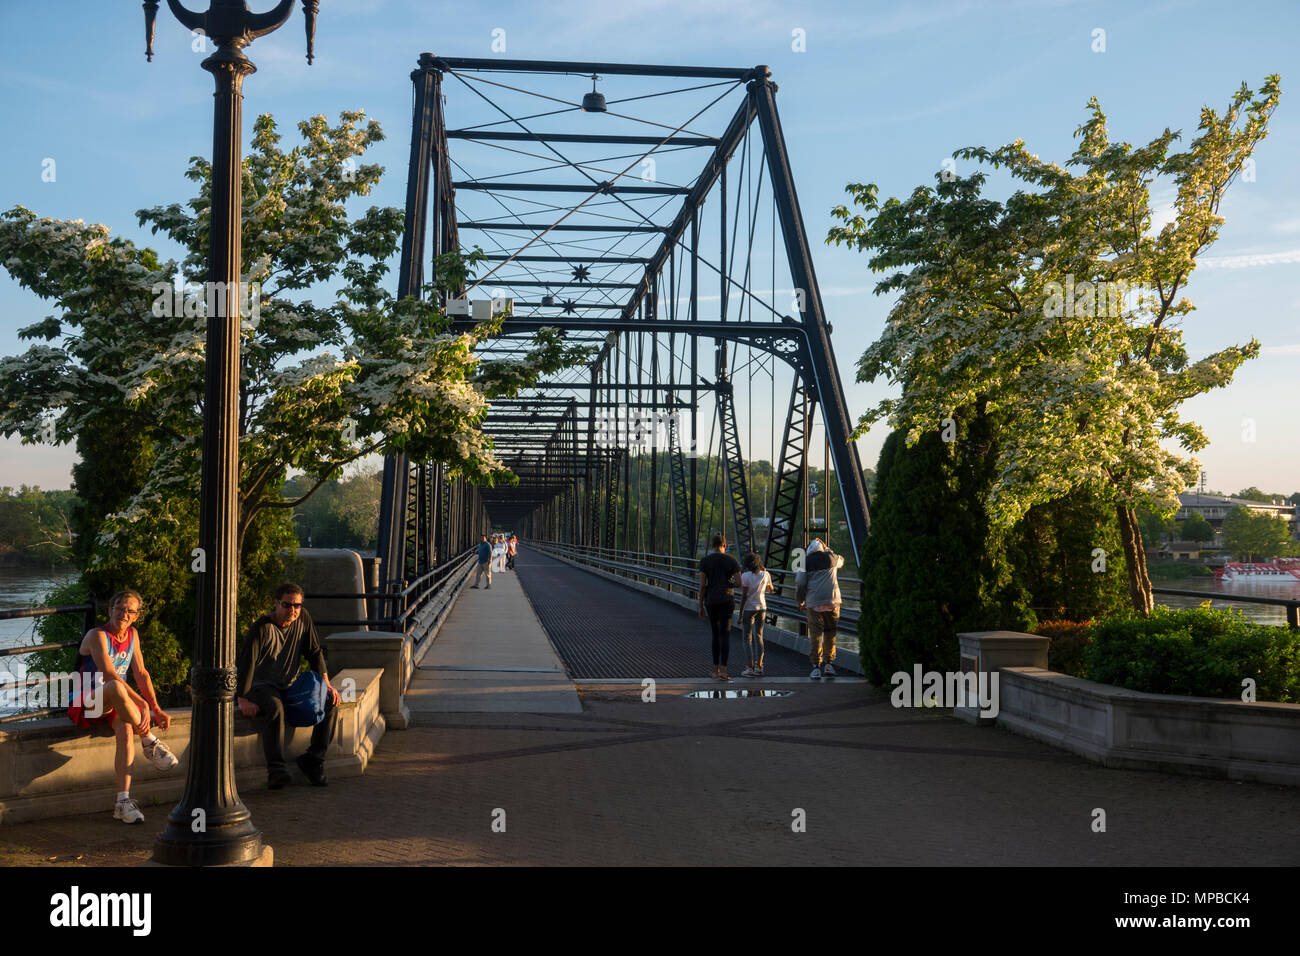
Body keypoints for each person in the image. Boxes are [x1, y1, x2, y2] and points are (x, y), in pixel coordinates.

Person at [66, 590, 178, 824]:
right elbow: (109, 675)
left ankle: (123, 803)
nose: (124, 614)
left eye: (130, 610)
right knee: (116, 687)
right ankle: (149, 741)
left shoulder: (133, 635)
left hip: (116, 702)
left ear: (136, 616)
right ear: (110, 610)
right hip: (87, 702)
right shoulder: (97, 635)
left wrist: (156, 708)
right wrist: (141, 703)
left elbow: (141, 673)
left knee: (127, 731)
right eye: (119, 608)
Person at [236, 583, 341, 789]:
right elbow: (247, 663)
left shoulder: (303, 618)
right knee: (275, 708)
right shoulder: (261, 628)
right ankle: (276, 770)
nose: (292, 610)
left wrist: (327, 685)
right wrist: (242, 698)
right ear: (276, 603)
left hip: (290, 683)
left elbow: (314, 652)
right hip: (262, 685)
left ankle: (314, 760)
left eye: (297, 605)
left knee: (331, 701)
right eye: (287, 605)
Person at [796, 538, 844, 680]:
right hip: (833, 601)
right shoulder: (832, 557)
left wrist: (800, 601)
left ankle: (816, 666)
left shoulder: (805, 562)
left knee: (816, 634)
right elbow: (842, 560)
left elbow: (800, 582)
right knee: (830, 632)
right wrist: (827, 548)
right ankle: (829, 664)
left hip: (814, 603)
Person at [698, 532, 743, 680]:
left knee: (715, 634)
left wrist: (700, 606)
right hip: (727, 599)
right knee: (725, 635)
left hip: (711, 600)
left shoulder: (705, 561)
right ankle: (724, 671)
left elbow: (703, 585)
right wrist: (727, 584)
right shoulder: (732, 560)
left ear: (712, 545)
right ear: (724, 545)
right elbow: (738, 583)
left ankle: (715, 671)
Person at [739, 553, 775, 678]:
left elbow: (744, 596)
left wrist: (740, 613)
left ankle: (750, 667)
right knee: (759, 636)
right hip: (762, 608)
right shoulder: (766, 574)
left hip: (749, 608)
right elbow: (771, 590)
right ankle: (759, 666)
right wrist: (765, 575)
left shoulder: (745, 576)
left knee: (747, 638)